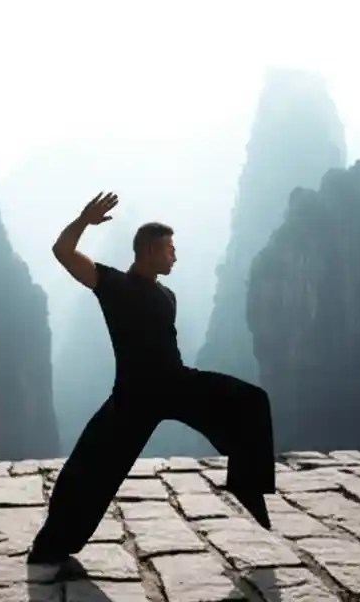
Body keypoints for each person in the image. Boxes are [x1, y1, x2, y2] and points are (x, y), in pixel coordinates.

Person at [28, 191, 276, 564]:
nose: (174, 254)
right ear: (148, 251)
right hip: (134, 395)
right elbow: (62, 252)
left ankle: (246, 485)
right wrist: (83, 220)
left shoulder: (168, 295)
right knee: (89, 466)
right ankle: (52, 544)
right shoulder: (113, 285)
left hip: (176, 384)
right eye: (168, 249)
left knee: (251, 400)